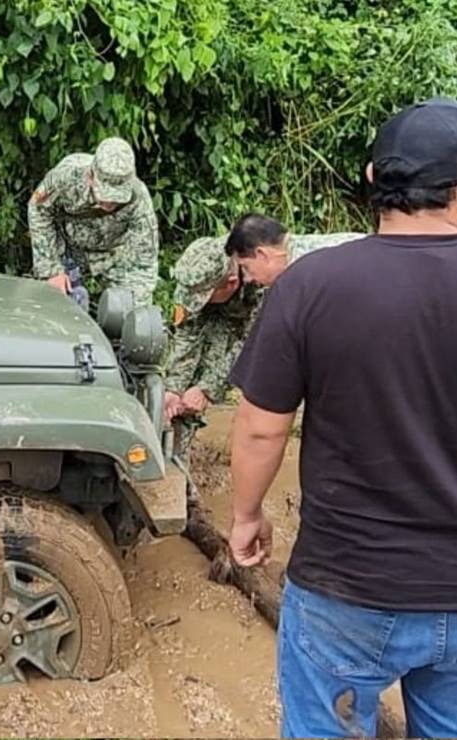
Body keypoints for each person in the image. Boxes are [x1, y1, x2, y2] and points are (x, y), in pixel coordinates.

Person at [228, 97, 457, 739]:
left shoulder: (309, 284)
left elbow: (261, 426)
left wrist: (247, 516)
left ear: (372, 178)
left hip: (345, 584)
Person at [28, 137, 159, 307]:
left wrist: (138, 308)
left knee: (127, 309)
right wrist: (51, 269)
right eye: (105, 194)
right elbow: (38, 208)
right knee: (61, 305)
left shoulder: (139, 198)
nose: (110, 203)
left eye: (117, 197)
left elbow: (144, 261)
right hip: (68, 248)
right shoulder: (67, 177)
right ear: (90, 177)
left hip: (113, 255)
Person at [162, 236, 260, 456]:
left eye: (202, 297)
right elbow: (187, 333)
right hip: (225, 310)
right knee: (184, 386)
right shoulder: (195, 277)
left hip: (274, 322)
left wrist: (207, 389)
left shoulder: (264, 280)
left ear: (232, 283)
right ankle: (176, 453)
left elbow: (253, 346)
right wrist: (173, 388)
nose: (194, 301)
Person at [224, 213, 363, 286]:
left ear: (262, 254)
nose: (247, 278)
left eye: (246, 267)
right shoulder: (306, 251)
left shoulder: (302, 273)